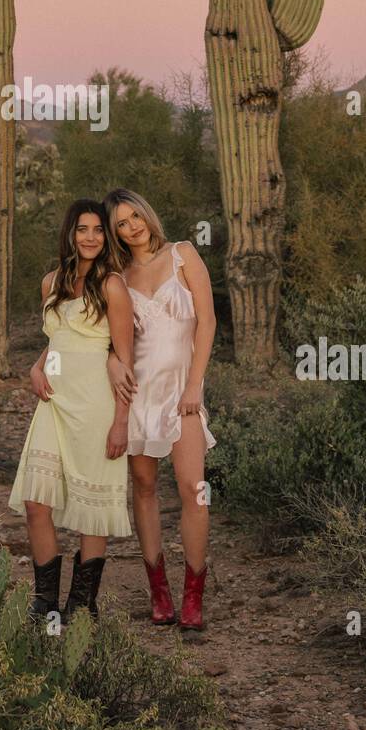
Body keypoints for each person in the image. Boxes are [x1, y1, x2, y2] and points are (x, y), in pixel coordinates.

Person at [8, 199, 135, 625]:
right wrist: (37, 365)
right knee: (35, 502)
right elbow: (59, 337)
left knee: (90, 505)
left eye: (99, 230)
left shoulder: (113, 286)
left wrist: (121, 421)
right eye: (83, 229)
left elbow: (122, 358)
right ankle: (44, 601)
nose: (91, 237)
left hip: (97, 406)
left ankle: (82, 606)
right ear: (70, 233)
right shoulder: (51, 282)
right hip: (54, 403)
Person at [103, 188, 216, 631]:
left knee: (194, 491)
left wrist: (194, 386)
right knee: (145, 490)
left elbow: (206, 321)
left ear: (147, 214)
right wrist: (112, 361)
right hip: (137, 396)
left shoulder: (183, 254)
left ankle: (193, 594)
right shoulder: (118, 276)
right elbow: (108, 337)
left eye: (135, 216)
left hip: (182, 394)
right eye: (122, 224)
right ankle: (159, 592)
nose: (133, 227)